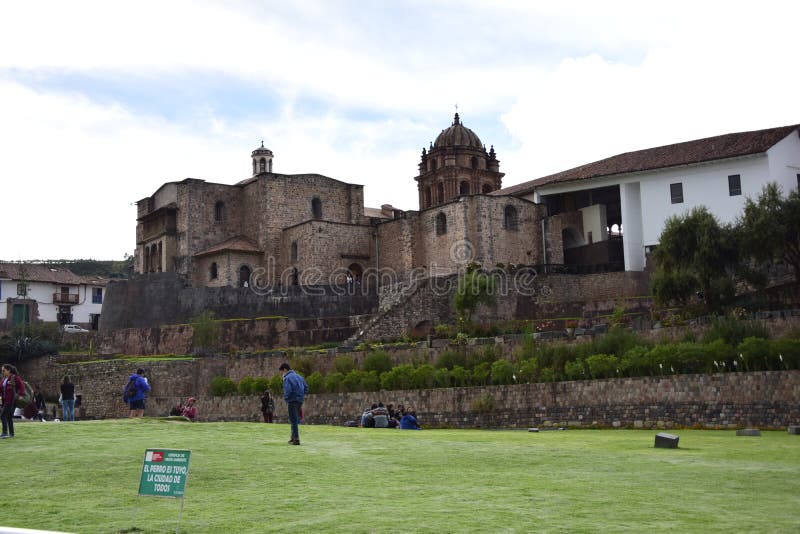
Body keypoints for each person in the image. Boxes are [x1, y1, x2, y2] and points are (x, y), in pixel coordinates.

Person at [279, 362, 308, 445]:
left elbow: (288, 390)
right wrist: (301, 395)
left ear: (285, 369)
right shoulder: (299, 377)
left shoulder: (287, 378)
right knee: (295, 419)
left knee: (293, 420)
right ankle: (293, 438)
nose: (281, 373)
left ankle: (296, 439)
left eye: (281, 371)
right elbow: (306, 387)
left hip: (292, 400)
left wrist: (286, 398)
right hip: (299, 401)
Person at [1, 364, 26, 438]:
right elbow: (1, 388)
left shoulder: (15, 377)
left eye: (3, 370)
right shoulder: (4, 379)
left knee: (3, 416)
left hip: (11, 400)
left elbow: (22, 386)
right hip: (5, 400)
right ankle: (11, 433)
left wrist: (21, 395)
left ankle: (5, 433)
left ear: (9, 370)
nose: (2, 372)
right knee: (8, 416)